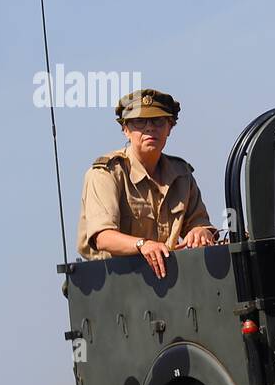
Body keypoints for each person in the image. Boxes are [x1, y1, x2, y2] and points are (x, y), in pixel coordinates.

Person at [76, 89, 216, 278]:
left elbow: (199, 223)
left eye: (158, 121)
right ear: (126, 130)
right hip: (115, 283)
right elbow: (103, 237)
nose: (149, 128)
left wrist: (201, 232)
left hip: (171, 280)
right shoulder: (107, 173)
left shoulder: (181, 175)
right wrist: (143, 245)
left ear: (170, 127)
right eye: (139, 122)